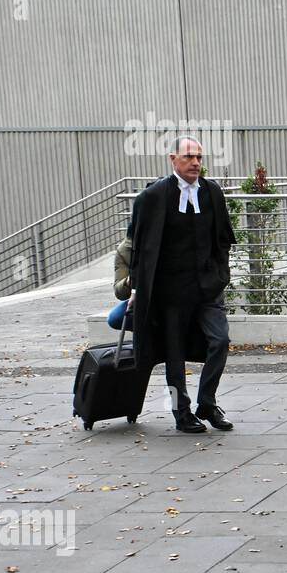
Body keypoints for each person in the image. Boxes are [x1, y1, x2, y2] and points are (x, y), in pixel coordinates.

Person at [127, 136, 235, 433]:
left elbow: (223, 238)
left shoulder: (212, 192)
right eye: (189, 157)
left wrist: (219, 274)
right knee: (173, 354)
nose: (196, 163)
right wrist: (137, 288)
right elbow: (139, 247)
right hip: (171, 290)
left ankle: (208, 403)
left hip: (208, 287)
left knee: (220, 341)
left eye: (199, 157)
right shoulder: (153, 197)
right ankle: (181, 412)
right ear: (173, 159)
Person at [108, 236, 134, 330]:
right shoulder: (124, 249)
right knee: (115, 318)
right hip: (141, 297)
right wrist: (127, 282)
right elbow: (120, 293)